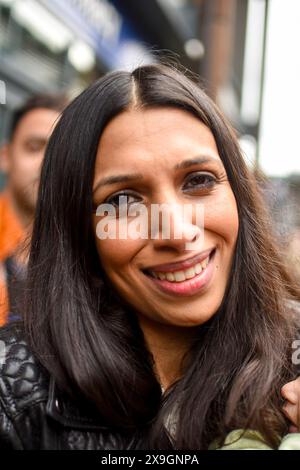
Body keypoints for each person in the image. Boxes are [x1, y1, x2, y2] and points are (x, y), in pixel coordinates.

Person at [0, 64, 299, 450]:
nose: (175, 231)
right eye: (124, 201)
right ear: (77, 229)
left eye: (198, 181)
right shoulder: (13, 393)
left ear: (238, 195)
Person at [0, 94, 68, 325]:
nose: (47, 162)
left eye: (60, 153)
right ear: (5, 156)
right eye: (34, 147)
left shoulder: (79, 259)